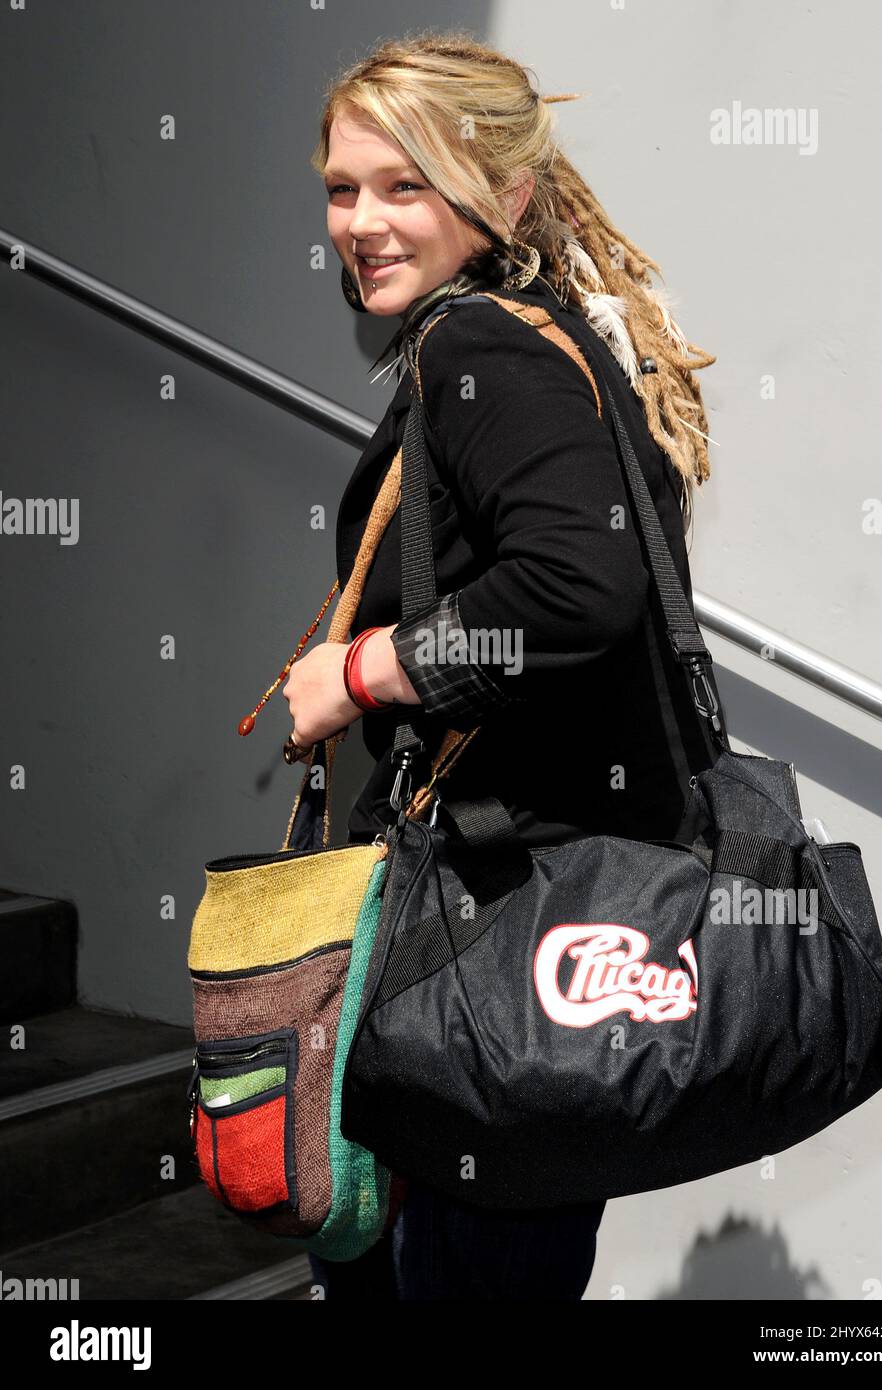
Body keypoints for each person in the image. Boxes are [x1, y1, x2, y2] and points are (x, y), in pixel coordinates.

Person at [283, 33, 722, 1300]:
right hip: (532, 943)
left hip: (495, 941)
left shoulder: (484, 350)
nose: (360, 222)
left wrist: (364, 671)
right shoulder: (540, 335)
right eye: (342, 188)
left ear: (506, 194)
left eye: (403, 185)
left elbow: (580, 585)